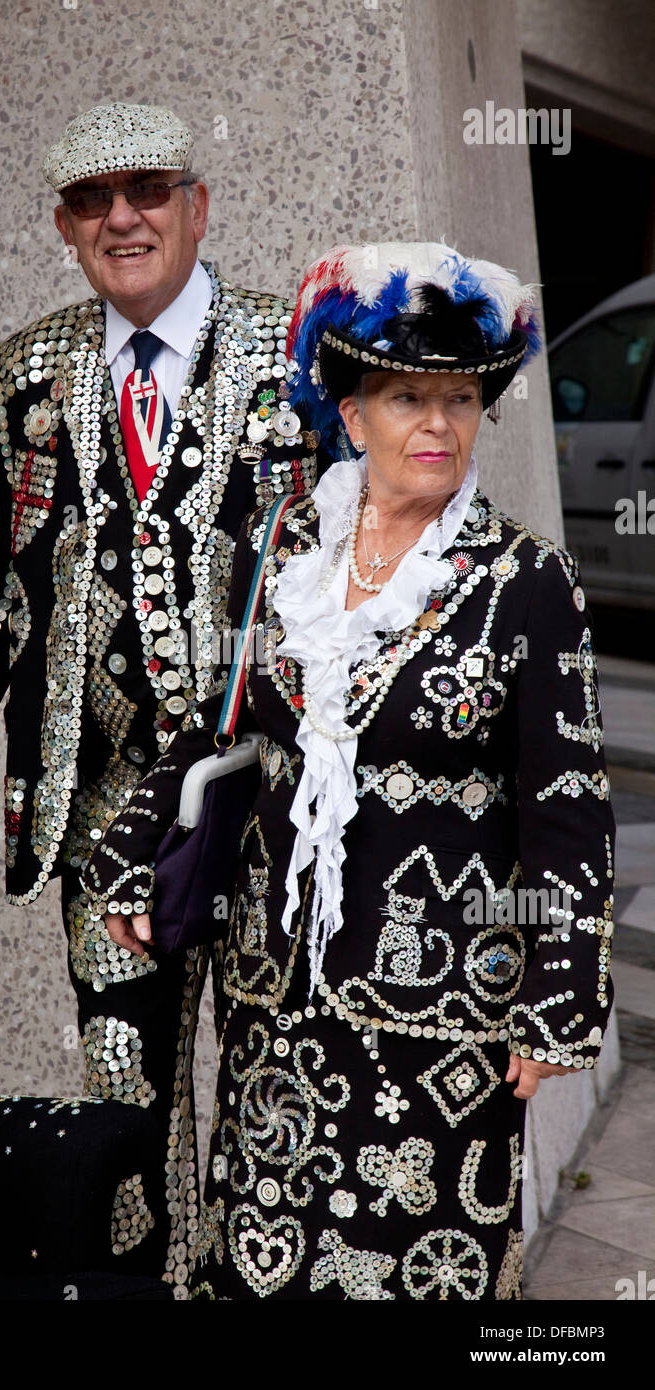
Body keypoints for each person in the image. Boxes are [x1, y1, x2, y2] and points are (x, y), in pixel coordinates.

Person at [0, 102, 325, 1298]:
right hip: (107, 823)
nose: (123, 217)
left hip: (277, 813)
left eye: (147, 190)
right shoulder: (26, 370)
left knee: (274, 1086)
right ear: (64, 228)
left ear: (195, 207)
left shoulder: (298, 353)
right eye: (91, 201)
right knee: (126, 1097)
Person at [85, 241, 616, 1300]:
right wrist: (129, 849)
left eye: (459, 399)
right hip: (275, 989)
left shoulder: (526, 581)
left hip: (444, 1008)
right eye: (407, 396)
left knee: (416, 1266)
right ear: (354, 412)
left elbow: (565, 803)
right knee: (265, 1255)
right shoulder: (286, 547)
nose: (436, 424)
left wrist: (558, 995)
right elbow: (217, 716)